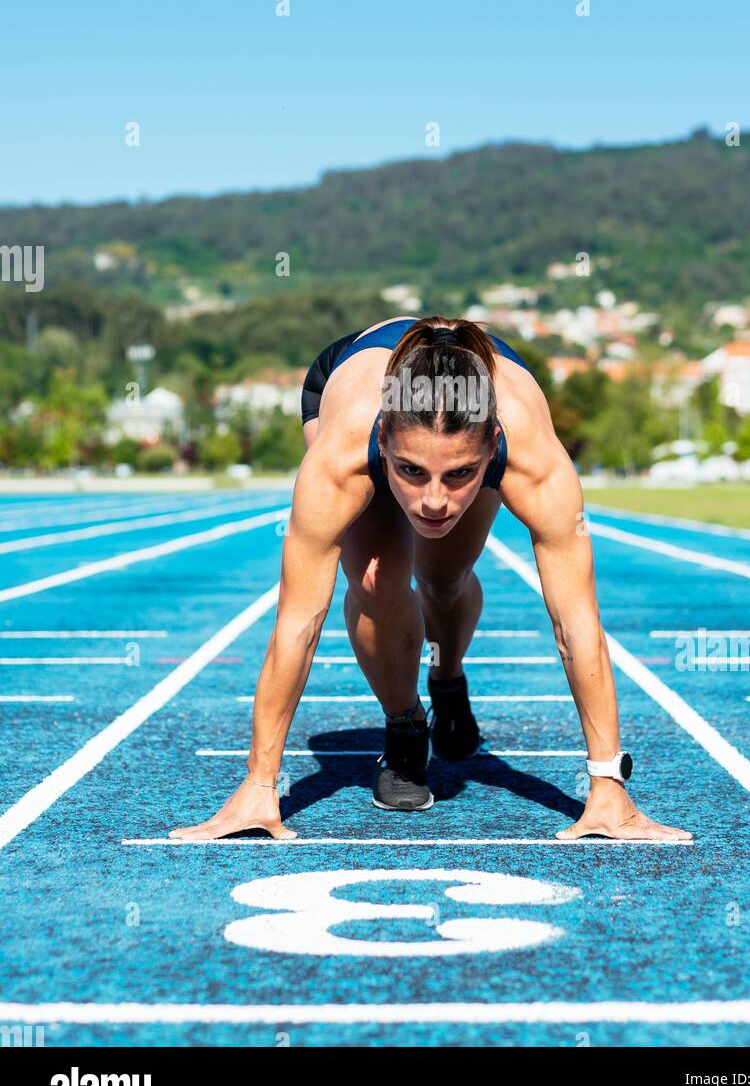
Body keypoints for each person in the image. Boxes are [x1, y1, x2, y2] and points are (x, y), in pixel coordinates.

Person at [170, 316, 692, 843]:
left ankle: (448, 679)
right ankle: (405, 726)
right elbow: (298, 622)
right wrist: (261, 784)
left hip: (468, 417)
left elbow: (575, 621)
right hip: (343, 381)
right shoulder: (346, 451)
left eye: (460, 475)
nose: (435, 501)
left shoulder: (533, 455)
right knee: (375, 582)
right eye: (412, 472)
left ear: (491, 448)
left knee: (444, 580)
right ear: (384, 443)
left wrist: (607, 784)